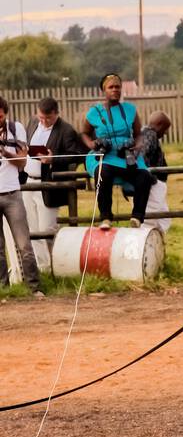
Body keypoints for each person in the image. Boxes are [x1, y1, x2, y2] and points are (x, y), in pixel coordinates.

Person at [81, 75, 154, 231]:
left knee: (144, 176)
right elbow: (84, 133)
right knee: (103, 171)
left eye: (117, 87)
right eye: (111, 87)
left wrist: (137, 146)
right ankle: (106, 217)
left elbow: (139, 134)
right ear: (103, 90)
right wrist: (92, 143)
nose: (115, 90)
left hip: (126, 153)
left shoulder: (130, 109)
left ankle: (137, 217)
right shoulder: (94, 112)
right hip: (105, 154)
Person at [23, 97, 85, 270]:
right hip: (29, 182)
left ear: (56, 114)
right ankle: (43, 268)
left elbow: (75, 155)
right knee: (32, 228)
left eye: (47, 118)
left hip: (49, 185)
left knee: (47, 229)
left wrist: (53, 159)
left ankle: (59, 266)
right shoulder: (33, 122)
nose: (43, 121)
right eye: (41, 117)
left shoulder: (66, 130)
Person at [0, 98, 43, 296]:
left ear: (5, 113)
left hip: (12, 193)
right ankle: (4, 289)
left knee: (24, 244)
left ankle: (34, 287)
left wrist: (4, 152)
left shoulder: (15, 128)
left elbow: (22, 163)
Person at [140, 111, 172, 235]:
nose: (165, 133)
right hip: (151, 184)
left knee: (164, 218)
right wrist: (151, 178)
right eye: (164, 129)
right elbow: (142, 157)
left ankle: (157, 245)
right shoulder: (150, 134)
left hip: (154, 183)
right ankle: (146, 247)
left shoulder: (144, 134)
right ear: (158, 124)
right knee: (150, 219)